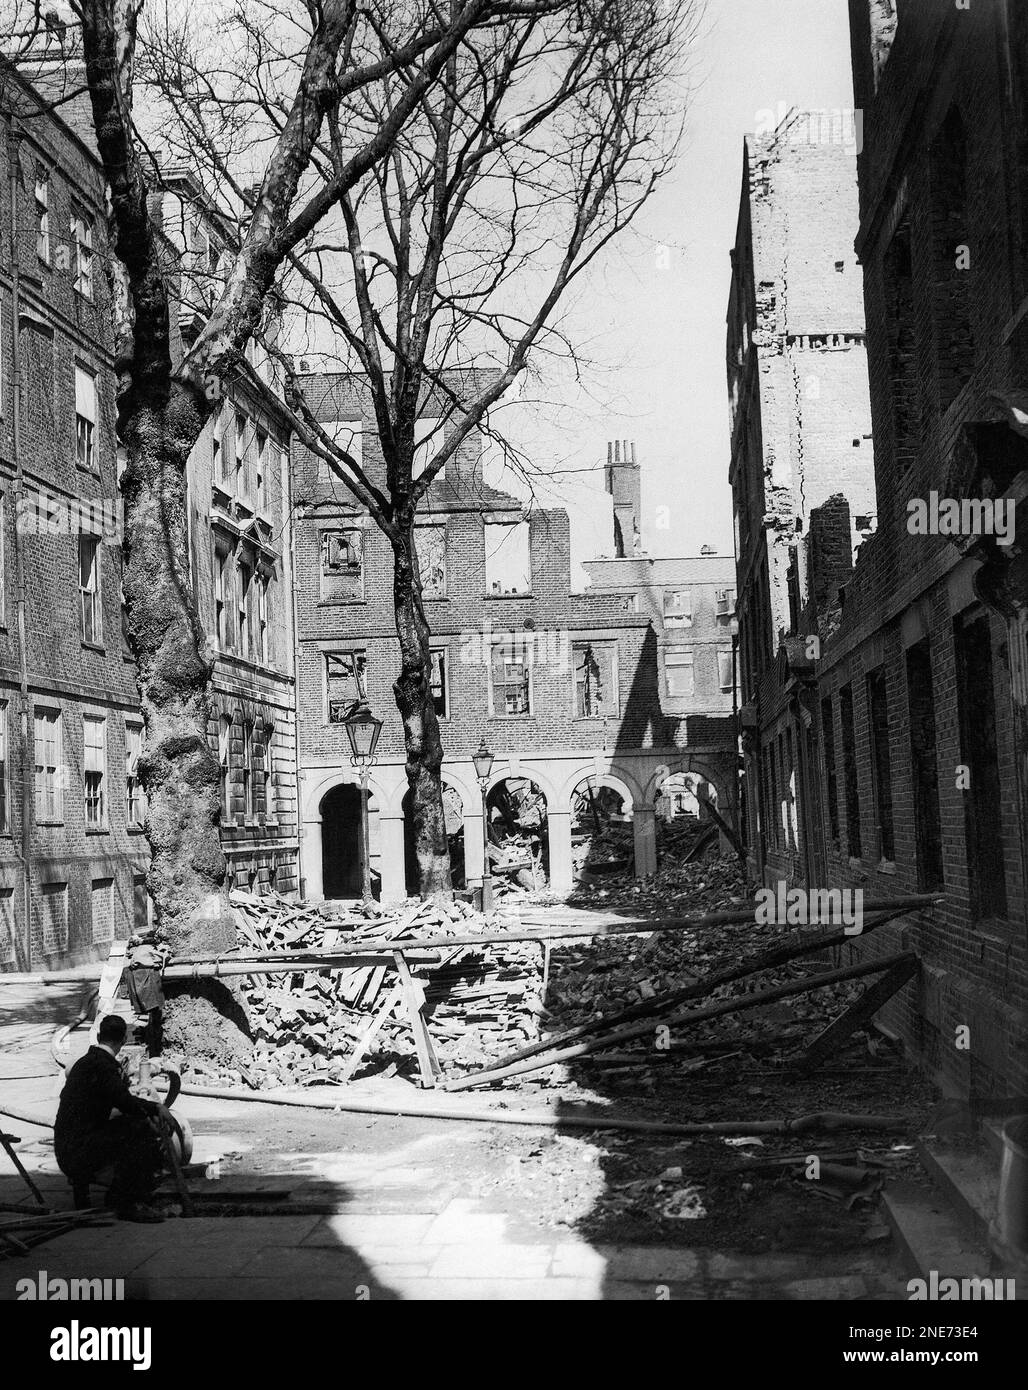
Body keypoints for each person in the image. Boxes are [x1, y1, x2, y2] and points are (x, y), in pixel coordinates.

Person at [54, 1014, 166, 1223]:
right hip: (78, 1154)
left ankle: (116, 1193)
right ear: (124, 1040)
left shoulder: (84, 1063)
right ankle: (128, 1203)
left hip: (65, 1148)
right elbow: (126, 1103)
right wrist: (156, 1108)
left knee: (124, 1127)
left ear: (98, 1036)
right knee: (138, 1130)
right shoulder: (105, 1067)